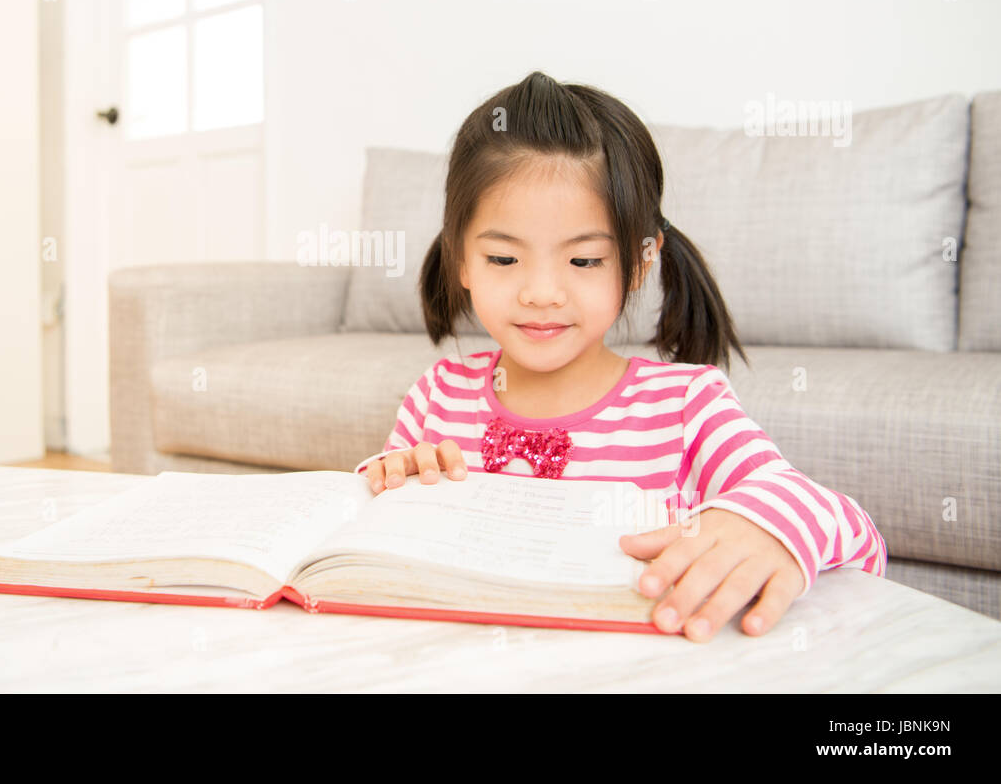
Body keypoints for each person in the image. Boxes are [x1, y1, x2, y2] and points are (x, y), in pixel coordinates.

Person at [354, 71, 886, 642]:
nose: (541, 292)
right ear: (461, 260)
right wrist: (384, 481)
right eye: (503, 260)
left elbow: (862, 543)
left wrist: (767, 528)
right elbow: (370, 535)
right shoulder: (437, 394)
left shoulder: (686, 405)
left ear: (636, 263)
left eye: (584, 262)